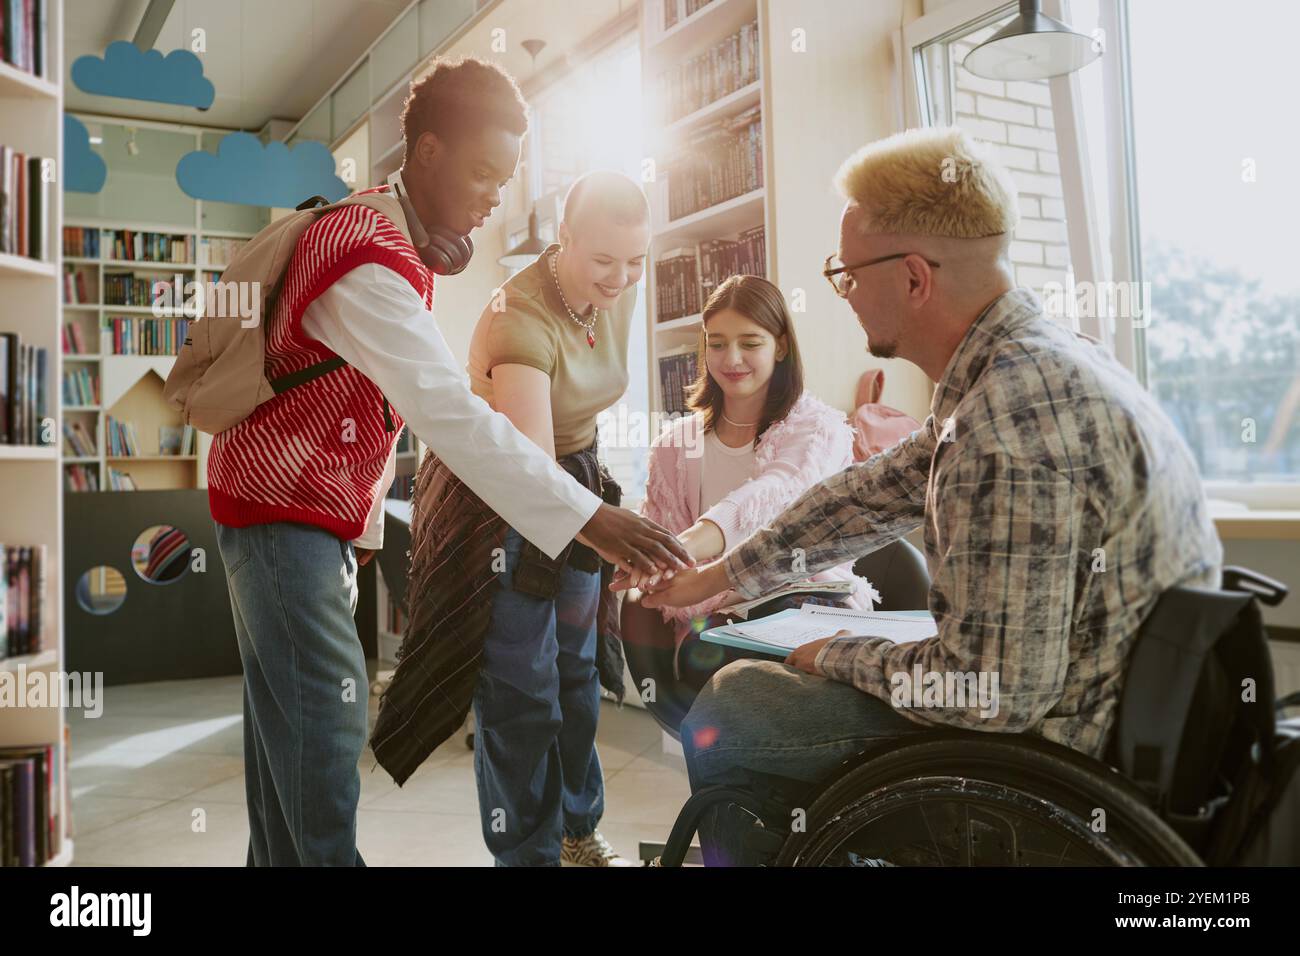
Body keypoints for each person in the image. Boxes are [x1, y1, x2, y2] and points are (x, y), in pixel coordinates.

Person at [625, 126, 1222, 865]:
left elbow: (988, 693)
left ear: (912, 278)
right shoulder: (1010, 370)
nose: (841, 293)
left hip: (1056, 763)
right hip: (1062, 704)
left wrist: (838, 654)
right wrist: (715, 577)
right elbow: (864, 497)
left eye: (845, 274)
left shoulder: (1008, 420)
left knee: (735, 707)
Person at [209, 56, 689, 867]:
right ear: (425, 154)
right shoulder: (366, 256)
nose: (493, 198)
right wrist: (592, 516)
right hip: (280, 516)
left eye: (505, 182)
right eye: (481, 174)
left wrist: (354, 542)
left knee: (283, 761)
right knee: (321, 749)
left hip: (289, 518)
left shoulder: (380, 235)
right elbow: (454, 420)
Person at [411, 169, 651, 867]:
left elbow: (577, 428)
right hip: (501, 503)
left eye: (635, 261)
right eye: (603, 260)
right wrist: (611, 529)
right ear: (563, 239)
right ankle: (527, 854)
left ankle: (578, 831)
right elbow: (531, 472)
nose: (620, 279)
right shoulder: (519, 316)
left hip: (569, 483)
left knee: (576, 678)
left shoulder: (620, 288)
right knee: (524, 691)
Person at [625, 274, 875, 690]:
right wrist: (645, 561)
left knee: (783, 683)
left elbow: (774, 497)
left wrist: (681, 549)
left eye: (750, 343)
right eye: (717, 343)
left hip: (809, 609)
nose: (731, 358)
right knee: (735, 679)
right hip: (715, 627)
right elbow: (659, 547)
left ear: (780, 345)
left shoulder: (818, 429)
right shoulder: (673, 447)